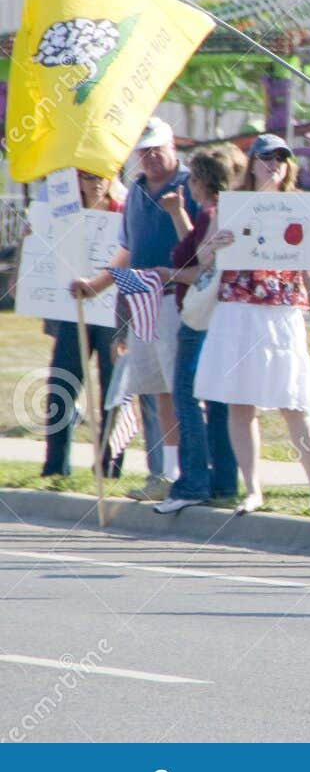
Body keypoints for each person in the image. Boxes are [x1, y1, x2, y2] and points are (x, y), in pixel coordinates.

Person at [193, 134, 310, 513]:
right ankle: (253, 488)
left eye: (281, 158)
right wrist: (217, 243)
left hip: (282, 309)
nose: (274, 164)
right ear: (252, 163)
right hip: (239, 309)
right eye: (266, 157)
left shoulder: (301, 207)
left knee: (295, 402)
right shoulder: (232, 206)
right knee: (241, 403)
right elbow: (203, 256)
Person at [69, 117, 198, 500]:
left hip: (181, 299)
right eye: (144, 150)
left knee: (183, 391)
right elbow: (127, 251)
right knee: (155, 390)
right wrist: (95, 285)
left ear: (173, 145)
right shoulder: (137, 193)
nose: (152, 156)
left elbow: (201, 244)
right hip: (142, 301)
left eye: (158, 147)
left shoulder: (191, 184)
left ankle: (194, 473)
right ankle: (165, 473)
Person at [153, 147, 240, 512]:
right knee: (218, 400)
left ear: (201, 180)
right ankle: (223, 481)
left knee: (187, 398)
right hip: (221, 318)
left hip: (198, 318)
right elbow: (199, 253)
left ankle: (192, 483)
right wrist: (177, 214)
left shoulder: (209, 213)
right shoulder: (221, 212)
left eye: (191, 176)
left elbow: (201, 271)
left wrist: (165, 274)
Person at [42, 170, 124, 479]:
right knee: (62, 382)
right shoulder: (65, 210)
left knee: (111, 388)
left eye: (103, 174)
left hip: (111, 311)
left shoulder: (124, 210)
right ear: (78, 180)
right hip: (73, 308)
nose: (97, 182)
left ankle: (109, 466)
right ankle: (55, 465)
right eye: (88, 176)